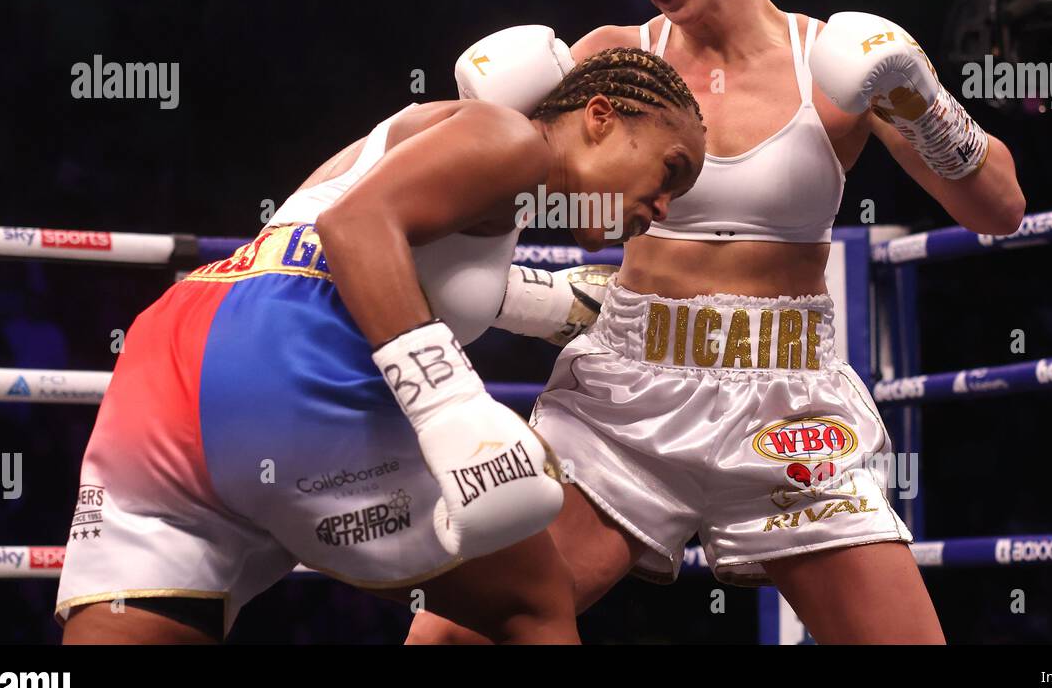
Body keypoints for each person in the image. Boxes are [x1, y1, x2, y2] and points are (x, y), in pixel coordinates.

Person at [409, 0, 1025, 645]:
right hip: (626, 395)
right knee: (452, 636)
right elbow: (543, 208)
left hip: (789, 401)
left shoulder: (834, 65)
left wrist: (922, 101)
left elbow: (998, 209)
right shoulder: (614, 59)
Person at [54, 47, 705, 644]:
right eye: (670, 169)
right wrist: (449, 407)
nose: (665, 205)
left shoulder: (446, 148)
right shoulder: (513, 139)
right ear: (599, 116)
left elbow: (366, 252)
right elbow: (357, 226)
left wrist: (553, 303)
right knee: (535, 604)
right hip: (287, 358)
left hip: (177, 357)